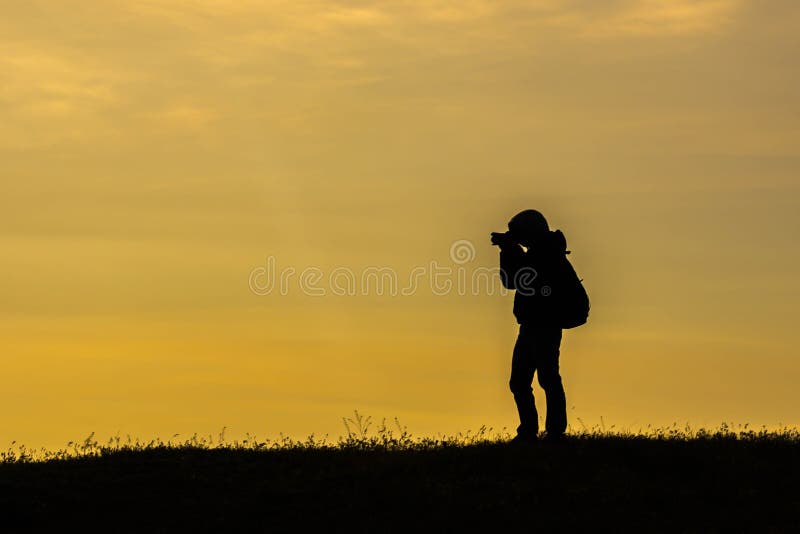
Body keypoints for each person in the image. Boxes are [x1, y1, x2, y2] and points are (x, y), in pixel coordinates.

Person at [491, 209, 569, 442]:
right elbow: (513, 280)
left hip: (545, 325)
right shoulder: (541, 251)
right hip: (531, 325)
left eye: (519, 233)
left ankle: (554, 432)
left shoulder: (546, 254)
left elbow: (514, 279)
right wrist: (510, 248)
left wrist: (509, 249)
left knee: (547, 378)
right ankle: (530, 431)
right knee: (520, 382)